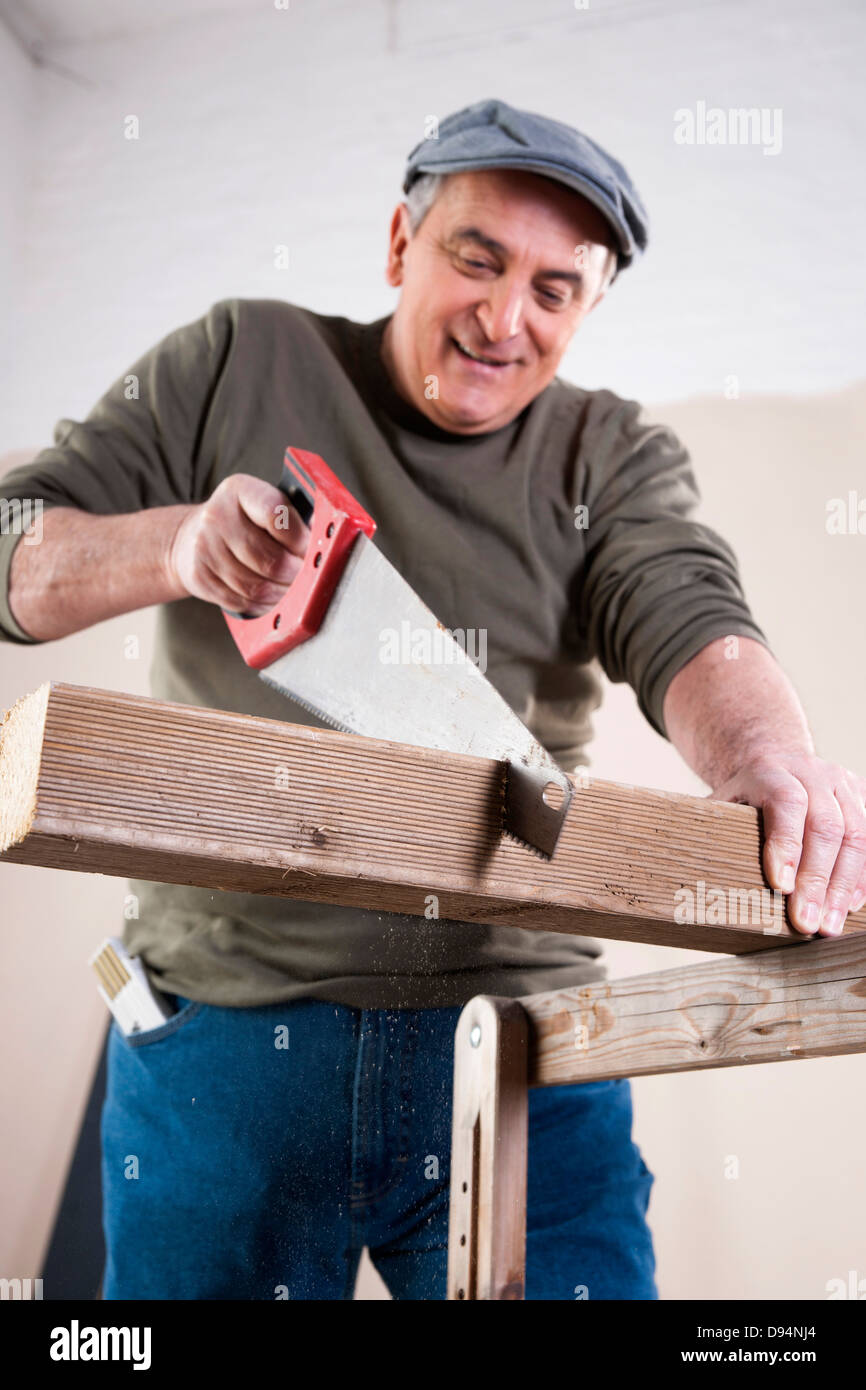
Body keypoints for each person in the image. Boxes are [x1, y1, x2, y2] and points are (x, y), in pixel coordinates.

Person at [1, 98, 863, 1301]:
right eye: (477, 258)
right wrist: (176, 546)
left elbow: (688, 612)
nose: (506, 318)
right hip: (225, 1034)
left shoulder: (605, 456)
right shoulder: (235, 357)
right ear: (399, 244)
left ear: (591, 307)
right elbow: (13, 550)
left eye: (555, 289)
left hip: (519, 1044)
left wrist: (769, 759)